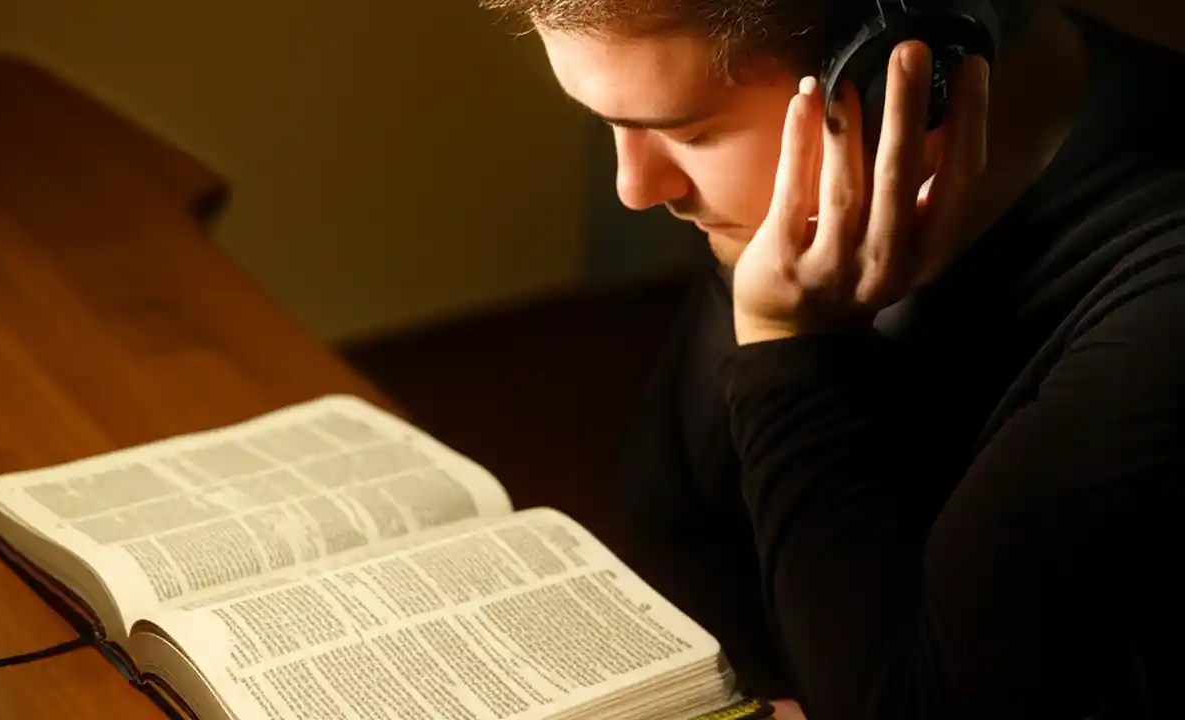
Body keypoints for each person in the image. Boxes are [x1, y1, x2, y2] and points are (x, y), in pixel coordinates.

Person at [478, 0, 1184, 718]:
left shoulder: (1159, 305)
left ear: (901, 79)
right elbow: (671, 527)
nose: (637, 188)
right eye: (608, 124)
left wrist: (788, 345)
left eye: (689, 133)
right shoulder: (811, 196)